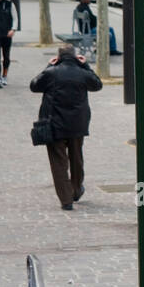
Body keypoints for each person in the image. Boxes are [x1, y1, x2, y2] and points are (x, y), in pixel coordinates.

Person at [30, 45, 103, 211]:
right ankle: (76, 190)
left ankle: (66, 199)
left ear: (58, 57)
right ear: (76, 57)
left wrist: (49, 66)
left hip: (54, 124)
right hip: (77, 124)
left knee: (58, 162)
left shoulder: (51, 73)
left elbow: (34, 85)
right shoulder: (83, 73)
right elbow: (97, 84)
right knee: (77, 158)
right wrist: (85, 66)